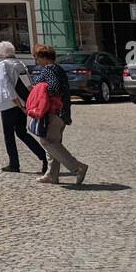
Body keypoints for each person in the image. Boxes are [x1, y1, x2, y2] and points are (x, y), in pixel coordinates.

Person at [31, 45, 89, 186]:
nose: (36, 60)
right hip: (62, 111)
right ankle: (52, 175)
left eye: (37, 57)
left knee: (47, 142)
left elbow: (54, 87)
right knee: (53, 142)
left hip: (54, 112)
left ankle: (77, 167)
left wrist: (38, 89)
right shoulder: (57, 68)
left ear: (44, 57)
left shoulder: (50, 69)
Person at [0, 41, 46, 174]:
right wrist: (25, 103)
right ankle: (43, 156)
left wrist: (18, 103)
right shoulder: (20, 64)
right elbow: (28, 84)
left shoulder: (3, 65)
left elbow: (7, 85)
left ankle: (14, 163)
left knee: (9, 135)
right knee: (22, 133)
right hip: (21, 102)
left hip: (9, 104)